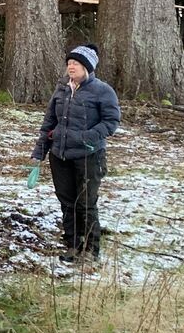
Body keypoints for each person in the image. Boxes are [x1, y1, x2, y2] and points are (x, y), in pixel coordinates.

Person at [29, 43, 120, 264]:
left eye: (76, 64)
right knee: (67, 201)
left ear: (87, 67)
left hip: (89, 156)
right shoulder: (61, 89)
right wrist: (40, 151)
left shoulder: (102, 91)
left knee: (86, 202)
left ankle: (91, 250)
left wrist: (86, 137)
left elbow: (111, 122)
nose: (71, 67)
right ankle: (73, 244)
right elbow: (49, 122)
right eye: (69, 63)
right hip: (60, 156)